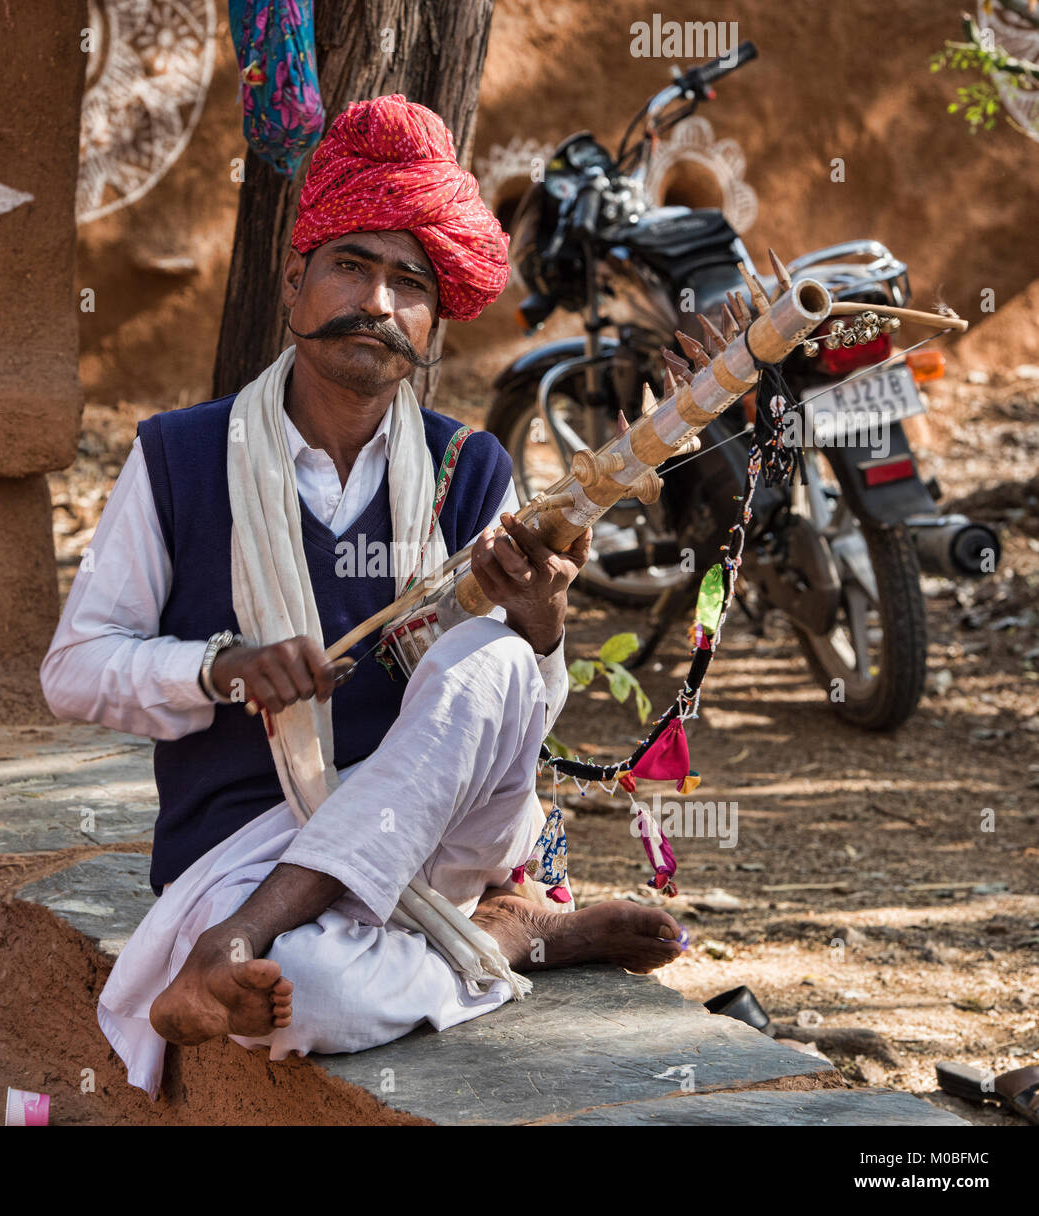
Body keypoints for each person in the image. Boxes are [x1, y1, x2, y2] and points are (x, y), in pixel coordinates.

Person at [41, 94, 681, 1099]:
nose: (377, 303)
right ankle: (512, 940)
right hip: (235, 850)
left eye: (409, 284)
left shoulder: (468, 467)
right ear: (293, 281)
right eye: (351, 265)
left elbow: (512, 713)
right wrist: (218, 666)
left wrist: (544, 620)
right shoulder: (180, 457)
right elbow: (73, 672)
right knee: (312, 998)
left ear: (431, 320)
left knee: (504, 654)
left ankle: (255, 942)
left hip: (434, 849)